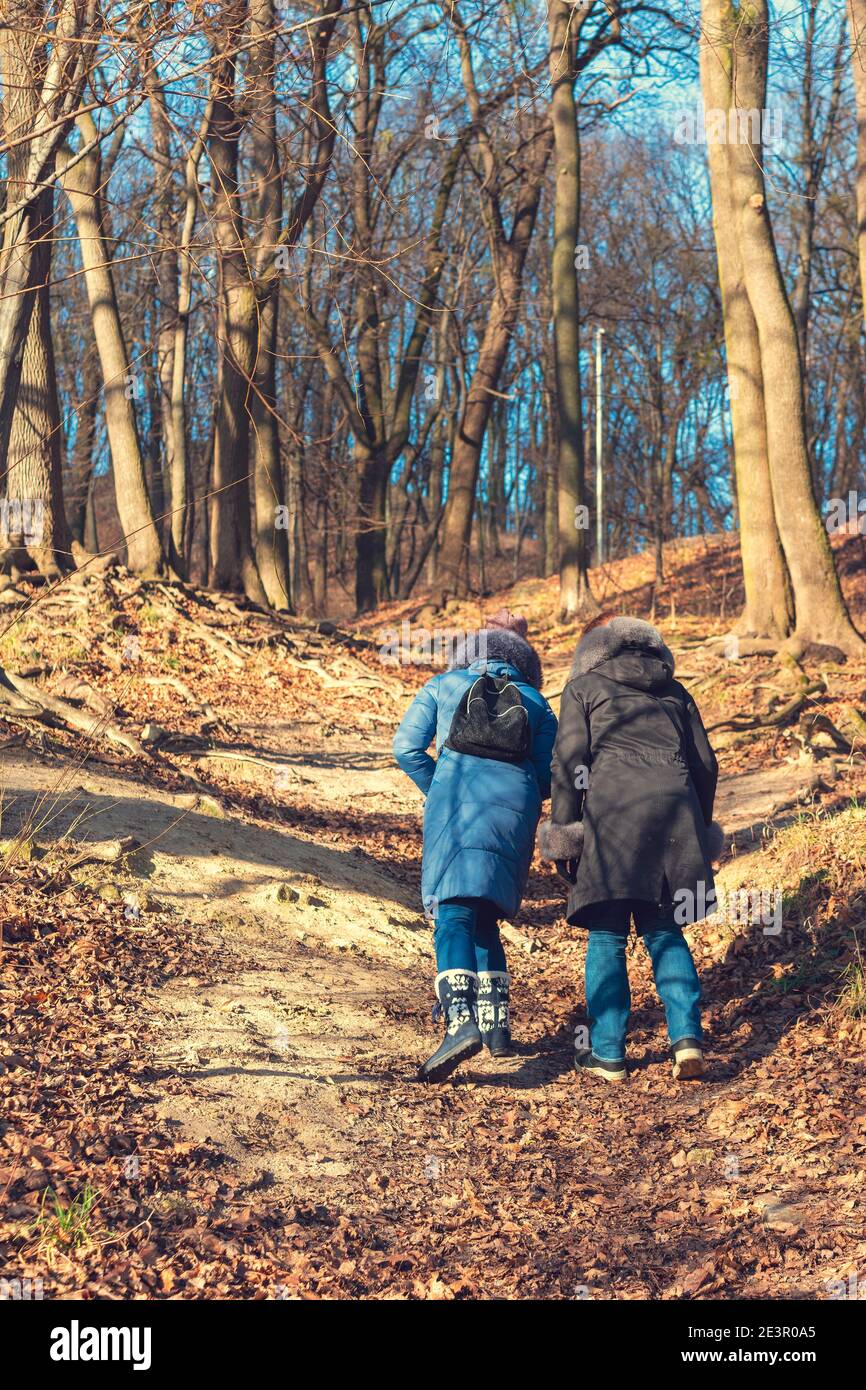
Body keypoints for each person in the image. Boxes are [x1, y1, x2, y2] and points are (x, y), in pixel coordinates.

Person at [539, 614, 723, 1083]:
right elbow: (706, 765)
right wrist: (699, 824)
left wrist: (566, 830)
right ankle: (687, 1042)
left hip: (614, 818)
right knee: (665, 930)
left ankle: (607, 1053)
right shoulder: (676, 692)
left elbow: (568, 764)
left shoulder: (583, 689)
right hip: (674, 816)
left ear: (594, 649)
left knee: (607, 934)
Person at [393, 611, 557, 1081]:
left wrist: (439, 787)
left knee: (453, 915)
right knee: (485, 913)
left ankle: (460, 1022)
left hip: (455, 807)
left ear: (468, 654)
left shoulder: (442, 686)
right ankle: (497, 1026)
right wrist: (520, 799)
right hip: (513, 815)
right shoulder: (538, 703)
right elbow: (550, 775)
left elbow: (405, 748)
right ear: (523, 664)